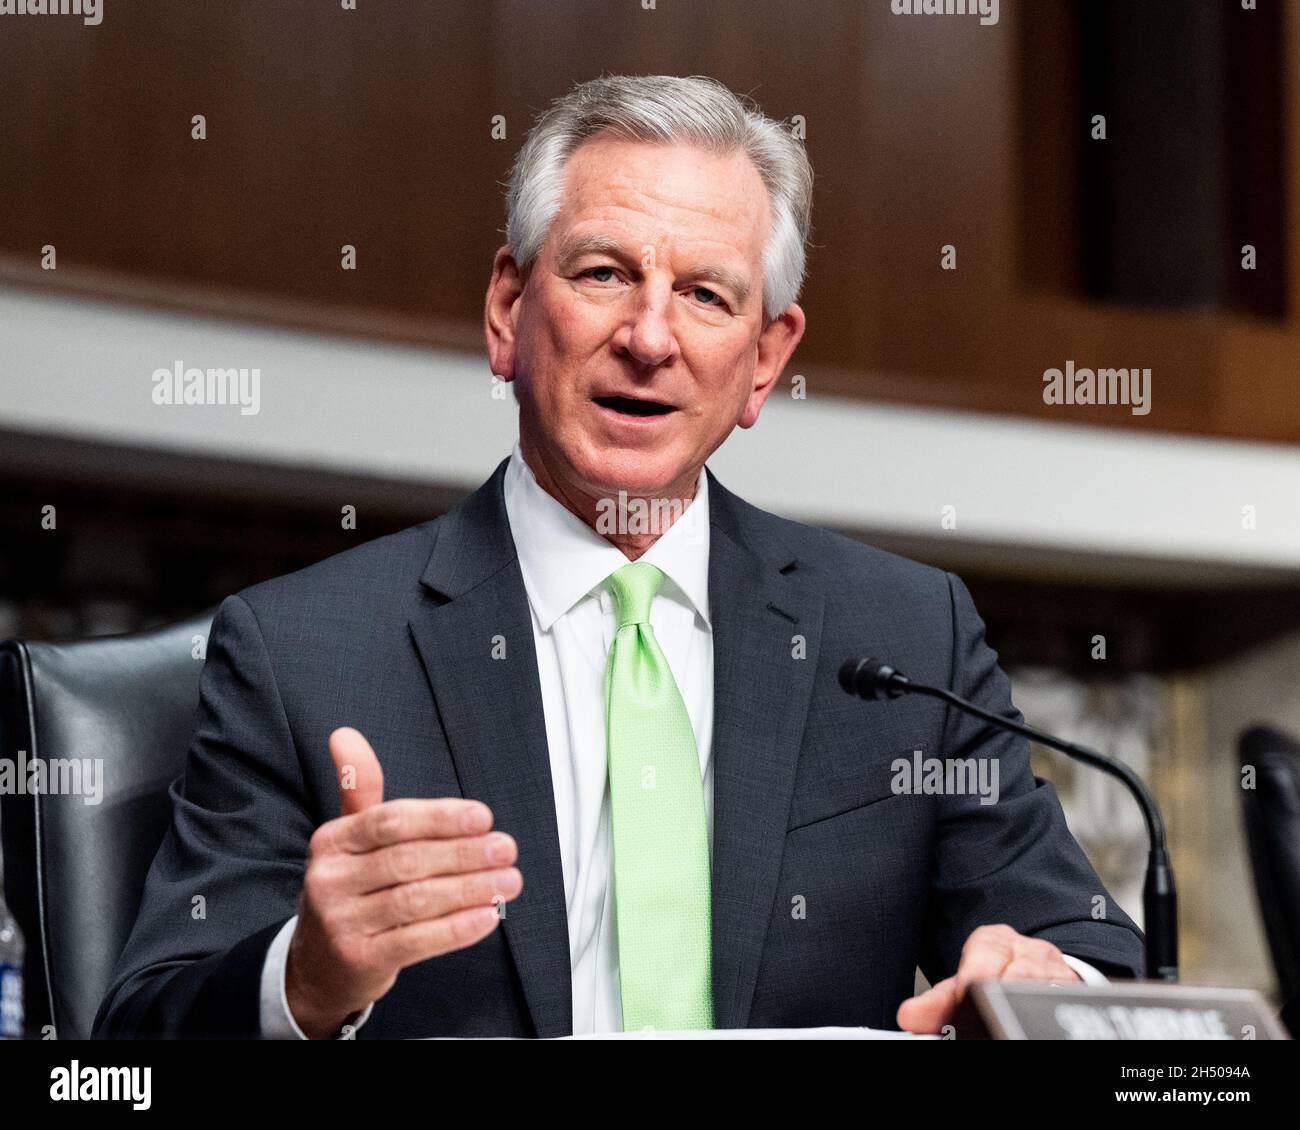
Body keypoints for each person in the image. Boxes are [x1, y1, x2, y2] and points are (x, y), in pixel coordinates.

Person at [94, 74, 1142, 1041]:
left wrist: (1044, 990)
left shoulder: (904, 636)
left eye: (705, 295)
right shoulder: (302, 650)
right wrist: (306, 976)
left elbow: (1090, 952)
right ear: (508, 310)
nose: (650, 336)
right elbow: (128, 1044)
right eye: (604, 272)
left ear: (764, 360)